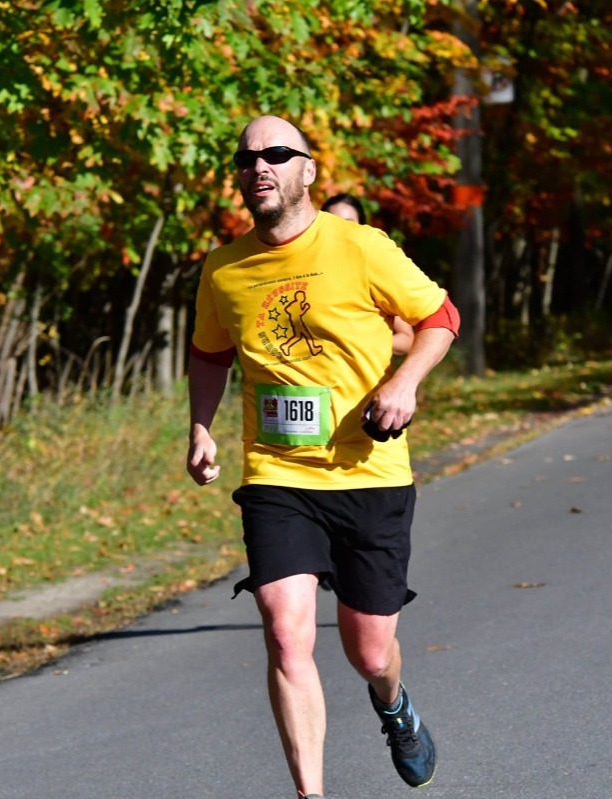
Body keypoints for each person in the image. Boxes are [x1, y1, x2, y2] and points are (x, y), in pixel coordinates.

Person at [186, 115, 460, 799]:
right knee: (285, 632)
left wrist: (403, 383)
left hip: (369, 472)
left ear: (308, 169)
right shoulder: (224, 268)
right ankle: (311, 793)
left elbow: (441, 317)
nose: (260, 167)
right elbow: (210, 354)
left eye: (277, 154)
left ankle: (395, 704)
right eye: (247, 157)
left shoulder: (360, 246)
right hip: (279, 475)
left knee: (368, 650)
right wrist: (200, 426)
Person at [321, 193, 416, 356]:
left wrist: (362, 343)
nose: (340, 229)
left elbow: (407, 340)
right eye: (332, 222)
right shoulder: (307, 270)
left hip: (369, 379)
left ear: (362, 227)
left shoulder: (374, 270)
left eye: (349, 223)